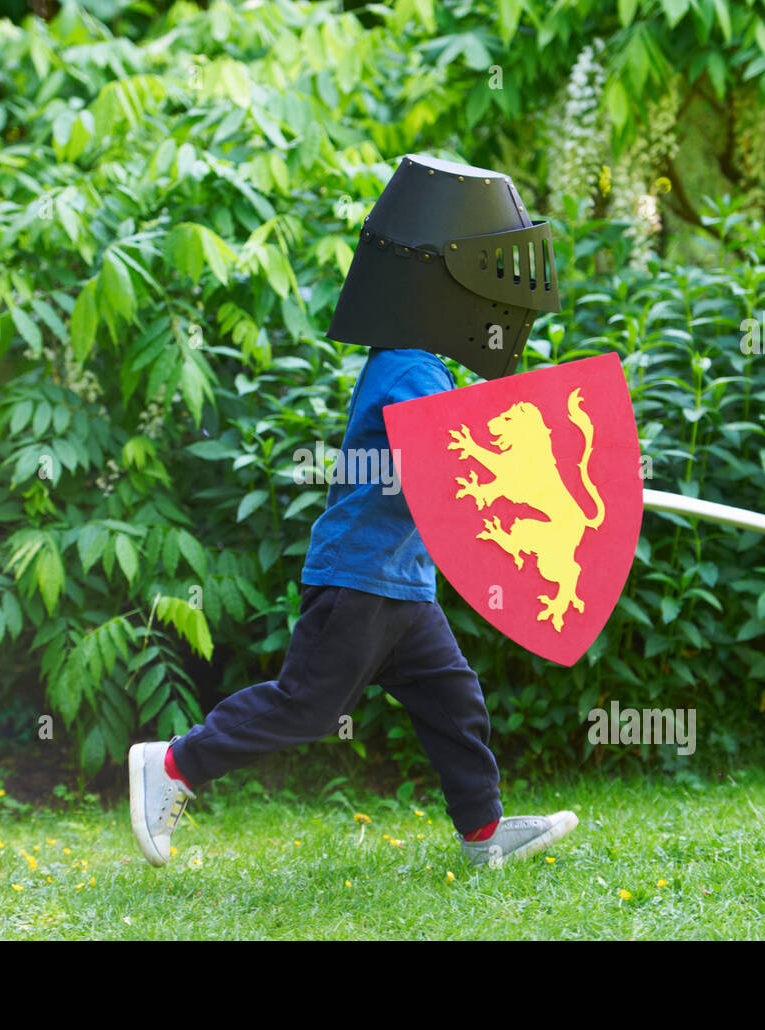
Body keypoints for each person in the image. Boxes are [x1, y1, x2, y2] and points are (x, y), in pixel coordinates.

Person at [129, 155, 578, 869]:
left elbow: (454, 465)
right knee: (306, 705)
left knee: (453, 700)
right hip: (359, 579)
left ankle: (482, 833)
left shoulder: (421, 364)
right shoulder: (407, 366)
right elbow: (446, 447)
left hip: (401, 583)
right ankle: (175, 764)